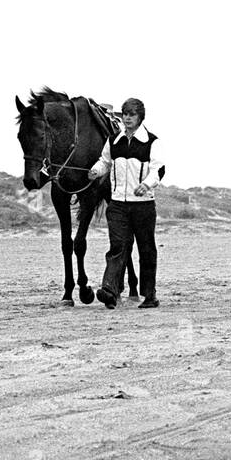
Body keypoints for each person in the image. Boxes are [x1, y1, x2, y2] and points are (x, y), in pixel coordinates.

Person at [88, 98, 164, 309]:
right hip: (118, 205)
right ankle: (110, 290)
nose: (128, 118)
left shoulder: (151, 141)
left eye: (132, 114)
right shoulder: (113, 140)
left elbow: (159, 170)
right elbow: (104, 162)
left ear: (140, 117)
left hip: (143, 205)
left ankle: (149, 296)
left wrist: (146, 185)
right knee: (117, 247)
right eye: (125, 114)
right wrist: (95, 171)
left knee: (146, 249)